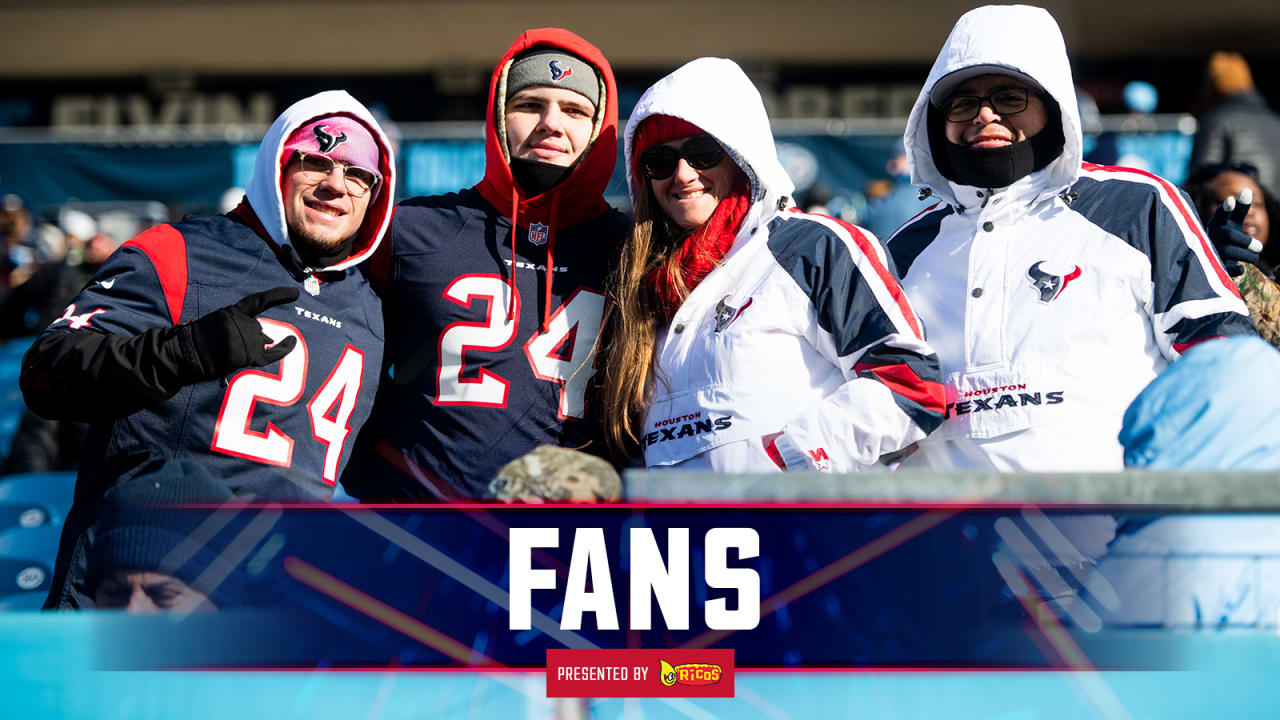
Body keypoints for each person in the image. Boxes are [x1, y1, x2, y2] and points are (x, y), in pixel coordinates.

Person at [20, 90, 396, 608]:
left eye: (358, 174)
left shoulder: (372, 306)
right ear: (277, 166)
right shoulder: (178, 251)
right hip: (132, 599)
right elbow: (47, 371)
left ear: (376, 194)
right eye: (316, 161)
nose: (336, 184)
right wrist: (181, 352)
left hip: (263, 619)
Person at [887, 5, 1255, 471]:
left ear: (1053, 102)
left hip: (1120, 529)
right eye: (961, 103)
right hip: (947, 536)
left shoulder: (1136, 206)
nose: (983, 115)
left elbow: (1225, 362)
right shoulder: (904, 249)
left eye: (1008, 97)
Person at [598, 57, 945, 472]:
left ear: (741, 155)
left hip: (796, 530)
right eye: (659, 161)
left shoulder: (809, 246)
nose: (683, 174)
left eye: (702, 153)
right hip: (676, 535)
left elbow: (910, 382)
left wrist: (788, 463)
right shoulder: (642, 287)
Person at [343, 28, 627, 500]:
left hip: (570, 540)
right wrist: (381, 482)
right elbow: (340, 358)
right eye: (530, 105)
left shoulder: (633, 249)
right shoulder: (412, 230)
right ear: (498, 116)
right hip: (425, 531)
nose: (551, 124)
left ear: (601, 128)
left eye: (576, 110)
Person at [1187, 162, 1280, 346]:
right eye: (1230, 201)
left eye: (1258, 203)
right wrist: (1213, 265)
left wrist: (1241, 274)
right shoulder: (1181, 275)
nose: (1249, 210)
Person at [1189, 52, 1280, 195]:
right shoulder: (1275, 119)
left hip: (1240, 209)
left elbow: (1202, 176)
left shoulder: (1216, 119)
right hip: (1269, 211)